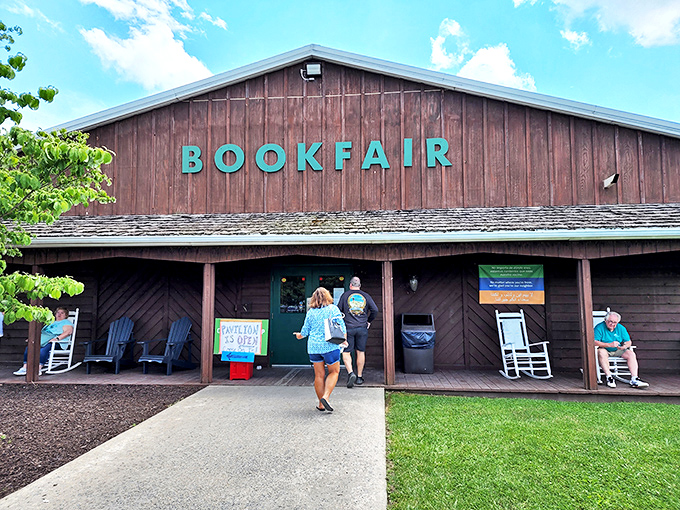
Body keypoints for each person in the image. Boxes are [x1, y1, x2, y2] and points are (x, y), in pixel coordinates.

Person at [294, 287, 347, 412]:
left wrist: (298, 335)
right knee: (334, 372)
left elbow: (304, 332)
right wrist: (344, 340)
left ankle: (321, 404)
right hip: (330, 346)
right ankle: (326, 397)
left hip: (313, 347)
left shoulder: (311, 312)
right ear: (328, 297)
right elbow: (342, 327)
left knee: (319, 375)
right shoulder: (333, 309)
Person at [338, 276, 378, 388]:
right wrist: (368, 321)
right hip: (362, 327)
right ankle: (359, 377)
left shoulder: (345, 295)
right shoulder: (366, 296)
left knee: (346, 351)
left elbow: (338, 311)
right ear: (359, 286)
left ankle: (351, 373)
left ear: (350, 285)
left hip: (348, 328)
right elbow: (375, 310)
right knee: (360, 351)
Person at [594, 310, 649, 389]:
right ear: (605, 320)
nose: (612, 324)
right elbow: (594, 342)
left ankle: (634, 379)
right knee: (601, 352)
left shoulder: (621, 328)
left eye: (615, 322)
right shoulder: (599, 327)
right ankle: (609, 377)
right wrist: (609, 344)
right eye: (610, 321)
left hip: (618, 349)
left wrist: (624, 346)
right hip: (604, 349)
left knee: (631, 354)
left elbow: (628, 341)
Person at [13, 306, 74, 376]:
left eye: (62, 313)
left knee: (45, 348)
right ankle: (25, 367)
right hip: (44, 340)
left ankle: (38, 368)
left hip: (57, 343)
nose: (59, 314)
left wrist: (57, 339)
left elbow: (68, 332)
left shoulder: (66, 322)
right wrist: (33, 338)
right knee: (29, 346)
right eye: (58, 312)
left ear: (66, 315)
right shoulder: (51, 321)